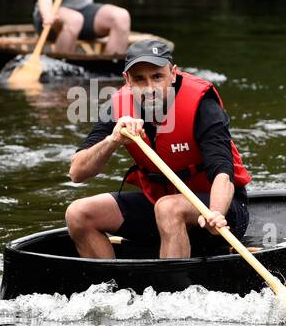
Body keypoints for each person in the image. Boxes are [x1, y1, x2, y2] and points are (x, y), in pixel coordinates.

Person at [66, 39, 251, 258]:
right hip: (159, 208)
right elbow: (77, 173)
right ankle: (112, 289)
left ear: (173, 74)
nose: (150, 89)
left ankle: (172, 290)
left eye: (157, 77)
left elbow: (223, 172)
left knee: (168, 207)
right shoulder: (118, 107)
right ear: (128, 81)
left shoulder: (202, 105)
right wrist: (112, 140)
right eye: (139, 79)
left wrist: (216, 213)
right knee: (78, 213)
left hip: (218, 211)